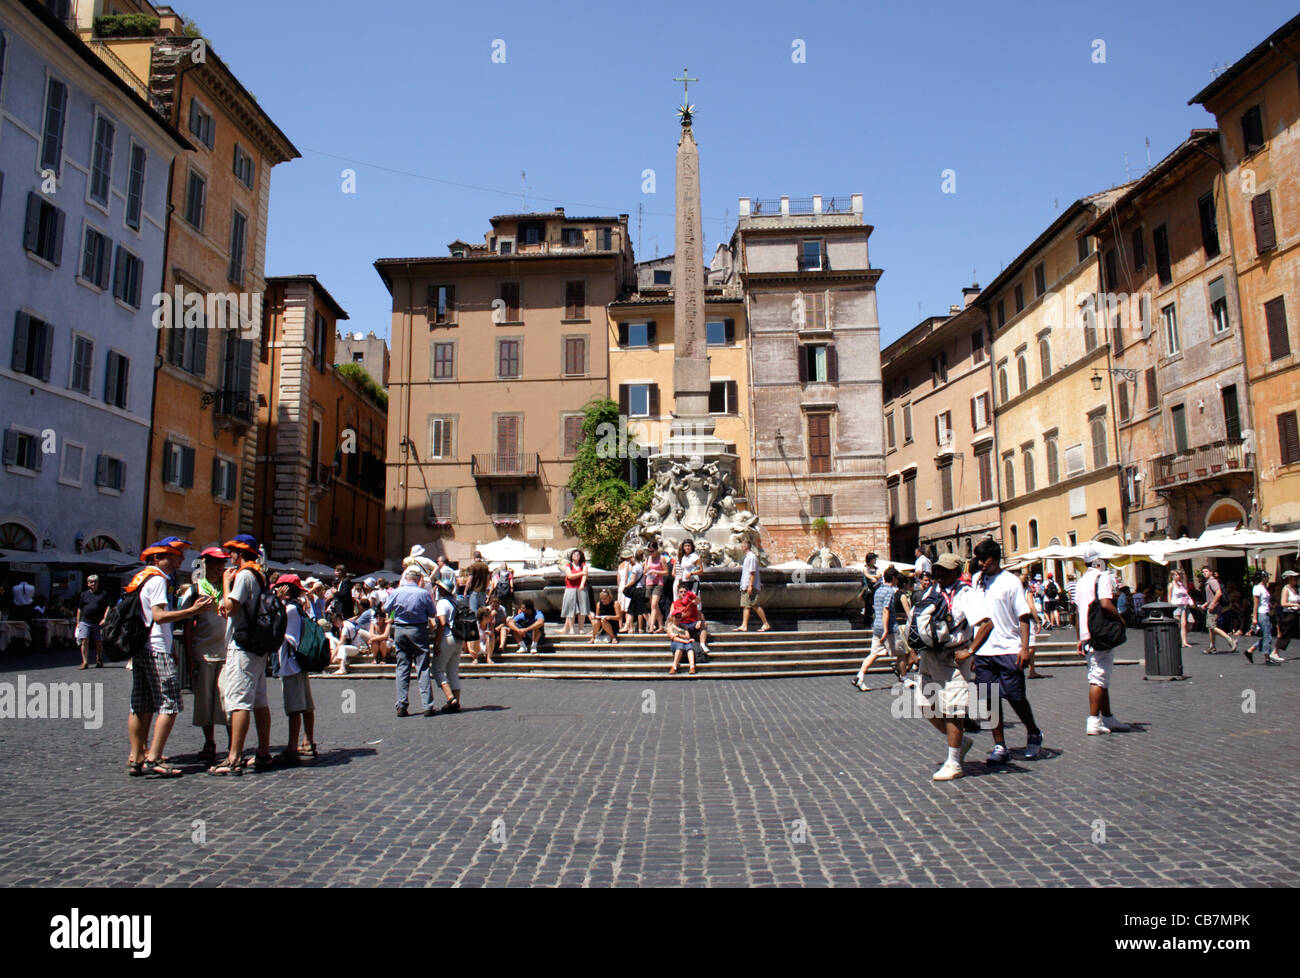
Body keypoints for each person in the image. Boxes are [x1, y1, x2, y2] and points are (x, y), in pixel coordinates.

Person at [127, 539, 209, 779]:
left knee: (140, 704)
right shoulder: (159, 580)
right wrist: (192, 611)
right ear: (156, 559)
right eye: (172, 557)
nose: (178, 560)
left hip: (141, 647)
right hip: (156, 647)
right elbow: (160, 616)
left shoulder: (140, 579)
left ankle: (136, 756)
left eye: (179, 556)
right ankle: (153, 757)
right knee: (170, 703)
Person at [970, 538, 1044, 763]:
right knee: (990, 700)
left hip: (1008, 647)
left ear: (996, 558)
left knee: (1015, 695)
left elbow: (1023, 616)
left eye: (985, 559)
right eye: (979, 559)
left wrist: (1024, 648)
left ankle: (1033, 732)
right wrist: (972, 650)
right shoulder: (976, 580)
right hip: (984, 651)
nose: (981, 563)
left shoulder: (1011, 582)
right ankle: (999, 744)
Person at [209, 535, 274, 775]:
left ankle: (234, 757)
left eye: (232, 552)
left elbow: (231, 606)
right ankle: (264, 753)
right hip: (257, 647)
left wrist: (226, 583)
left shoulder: (244, 575)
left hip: (241, 645)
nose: (229, 557)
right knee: (259, 701)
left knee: (239, 702)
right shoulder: (259, 574)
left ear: (240, 553)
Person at [917, 554, 979, 781]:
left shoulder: (966, 594)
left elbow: (986, 622)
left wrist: (970, 651)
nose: (939, 574)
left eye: (944, 570)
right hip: (928, 655)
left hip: (953, 656)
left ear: (956, 571)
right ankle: (961, 742)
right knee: (925, 705)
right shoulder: (931, 592)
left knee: (953, 709)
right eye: (937, 570)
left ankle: (954, 762)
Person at [1075, 545, 1131, 735]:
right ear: (1099, 561)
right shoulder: (1103, 577)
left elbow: (1078, 612)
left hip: (1087, 634)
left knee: (1101, 676)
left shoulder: (1081, 581)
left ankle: (1107, 717)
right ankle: (1093, 720)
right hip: (1100, 633)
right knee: (1098, 678)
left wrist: (1079, 637)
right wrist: (1120, 619)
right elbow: (1106, 604)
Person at [183, 547, 231, 768]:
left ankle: (233, 743)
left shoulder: (228, 588)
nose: (219, 567)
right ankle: (209, 742)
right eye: (215, 563)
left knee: (228, 700)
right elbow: (187, 624)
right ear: (206, 564)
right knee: (205, 701)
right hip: (203, 651)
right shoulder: (196, 589)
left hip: (227, 653)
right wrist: (190, 654)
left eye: (222, 563)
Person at [385, 566, 439, 717]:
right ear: (419, 579)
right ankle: (427, 705)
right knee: (422, 667)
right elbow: (432, 612)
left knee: (402, 667)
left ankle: (401, 705)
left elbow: (386, 608)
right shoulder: (423, 593)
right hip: (418, 630)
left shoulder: (396, 592)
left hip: (400, 630)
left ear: (405, 578)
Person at [273, 575, 316, 764]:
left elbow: (275, 627)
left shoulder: (288, 609)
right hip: (300, 661)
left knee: (294, 708)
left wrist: (277, 602)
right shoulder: (299, 607)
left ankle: (292, 747)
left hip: (290, 663)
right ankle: (308, 742)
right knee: (305, 704)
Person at [853, 566, 901, 691]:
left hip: (877, 626)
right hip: (888, 628)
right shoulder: (890, 591)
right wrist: (886, 630)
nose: (898, 581)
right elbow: (886, 610)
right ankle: (905, 678)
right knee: (903, 653)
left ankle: (860, 676)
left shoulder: (878, 590)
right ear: (894, 578)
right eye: (897, 579)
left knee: (874, 653)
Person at [431, 578, 464, 713]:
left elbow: (442, 622)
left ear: (443, 590)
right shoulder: (456, 602)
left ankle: (451, 698)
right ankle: (456, 702)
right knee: (453, 672)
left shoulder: (442, 603)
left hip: (447, 637)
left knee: (437, 669)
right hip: (458, 638)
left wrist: (437, 642)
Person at [1245, 570, 1282, 664]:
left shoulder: (1264, 587)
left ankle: (1251, 650)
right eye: (1266, 576)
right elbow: (1256, 604)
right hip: (1261, 613)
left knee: (1267, 635)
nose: (1268, 578)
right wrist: (1254, 617)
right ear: (1262, 577)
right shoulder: (1257, 588)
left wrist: (1272, 606)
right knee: (1267, 636)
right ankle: (1267, 658)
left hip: (1267, 613)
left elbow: (1265, 601)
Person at [75, 574, 109, 669]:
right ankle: (85, 662)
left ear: (98, 583)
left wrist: (105, 619)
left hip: (98, 622)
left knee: (98, 642)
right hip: (85, 621)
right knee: (84, 640)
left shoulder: (103, 594)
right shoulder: (83, 595)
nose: (93, 583)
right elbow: (79, 609)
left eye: (95, 582)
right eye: (91, 582)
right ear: (88, 583)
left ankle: (99, 659)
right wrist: (78, 622)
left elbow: (108, 607)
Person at [737, 539, 770, 632]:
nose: (741, 547)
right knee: (746, 605)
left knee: (754, 605)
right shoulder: (747, 557)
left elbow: (752, 572)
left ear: (745, 546)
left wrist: (750, 585)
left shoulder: (751, 557)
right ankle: (744, 625)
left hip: (750, 585)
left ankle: (766, 624)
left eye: (742, 545)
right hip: (745, 585)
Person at [1200, 567, 1236, 653]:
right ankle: (1212, 646)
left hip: (1214, 607)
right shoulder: (1208, 582)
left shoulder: (1213, 582)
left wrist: (1212, 604)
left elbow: (1218, 593)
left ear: (1211, 572)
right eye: (1203, 572)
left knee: (1211, 626)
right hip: (1211, 606)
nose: (1204, 573)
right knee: (1210, 628)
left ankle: (1230, 639)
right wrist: (1206, 603)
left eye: (1206, 571)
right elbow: (1211, 596)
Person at [669, 587, 709, 653]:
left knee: (703, 623)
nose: (683, 593)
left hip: (692, 623)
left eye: (685, 592)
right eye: (681, 592)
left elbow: (698, 601)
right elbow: (671, 616)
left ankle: (702, 644)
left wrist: (693, 596)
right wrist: (680, 615)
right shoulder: (675, 603)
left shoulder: (691, 601)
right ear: (678, 593)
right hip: (681, 625)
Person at [561, 549, 590, 634]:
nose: (576, 556)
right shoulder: (568, 565)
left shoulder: (583, 565)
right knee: (571, 610)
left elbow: (585, 575)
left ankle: (581, 629)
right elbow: (570, 576)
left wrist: (582, 584)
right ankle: (571, 629)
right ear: (572, 556)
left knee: (582, 609)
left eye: (578, 554)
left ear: (581, 556)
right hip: (570, 588)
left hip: (581, 588)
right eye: (574, 554)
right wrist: (581, 573)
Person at [1168, 569, 1195, 649]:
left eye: (1179, 575)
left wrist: (1190, 602)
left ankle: (1184, 642)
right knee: (1178, 624)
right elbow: (1169, 597)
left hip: (1183, 605)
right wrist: (1170, 607)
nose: (1178, 576)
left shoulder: (1181, 584)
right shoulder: (1171, 585)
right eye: (1176, 575)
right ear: (1172, 576)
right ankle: (1177, 640)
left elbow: (1186, 594)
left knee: (1184, 624)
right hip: (1175, 606)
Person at [644, 544, 668, 633]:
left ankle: (651, 627)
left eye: (652, 551)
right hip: (649, 582)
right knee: (655, 605)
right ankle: (661, 625)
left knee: (654, 605)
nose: (651, 553)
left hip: (658, 583)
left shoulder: (661, 558)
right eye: (649, 551)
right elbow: (644, 572)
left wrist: (656, 571)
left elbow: (666, 572)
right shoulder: (647, 559)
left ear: (657, 550)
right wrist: (646, 569)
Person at [624, 549, 648, 633]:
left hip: (637, 590)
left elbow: (633, 580)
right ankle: (626, 626)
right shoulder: (641, 566)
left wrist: (625, 586)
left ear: (633, 557)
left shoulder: (635, 567)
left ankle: (652, 624)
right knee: (633, 609)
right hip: (641, 589)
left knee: (642, 610)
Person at [1277, 571, 1300, 655]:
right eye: (1294, 578)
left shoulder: (1295, 589)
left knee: (1291, 633)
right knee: (1286, 633)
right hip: (1289, 614)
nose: (1296, 580)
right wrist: (1294, 604)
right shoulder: (1286, 589)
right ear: (1289, 579)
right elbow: (1283, 603)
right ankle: (1275, 651)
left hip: (1295, 614)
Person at [859, 553, 881, 631]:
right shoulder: (866, 568)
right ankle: (867, 623)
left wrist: (873, 578)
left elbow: (879, 575)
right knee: (868, 607)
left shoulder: (876, 568)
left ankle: (874, 623)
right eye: (874, 559)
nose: (875, 560)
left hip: (875, 590)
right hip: (869, 591)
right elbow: (867, 575)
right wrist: (874, 577)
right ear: (870, 560)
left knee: (877, 607)